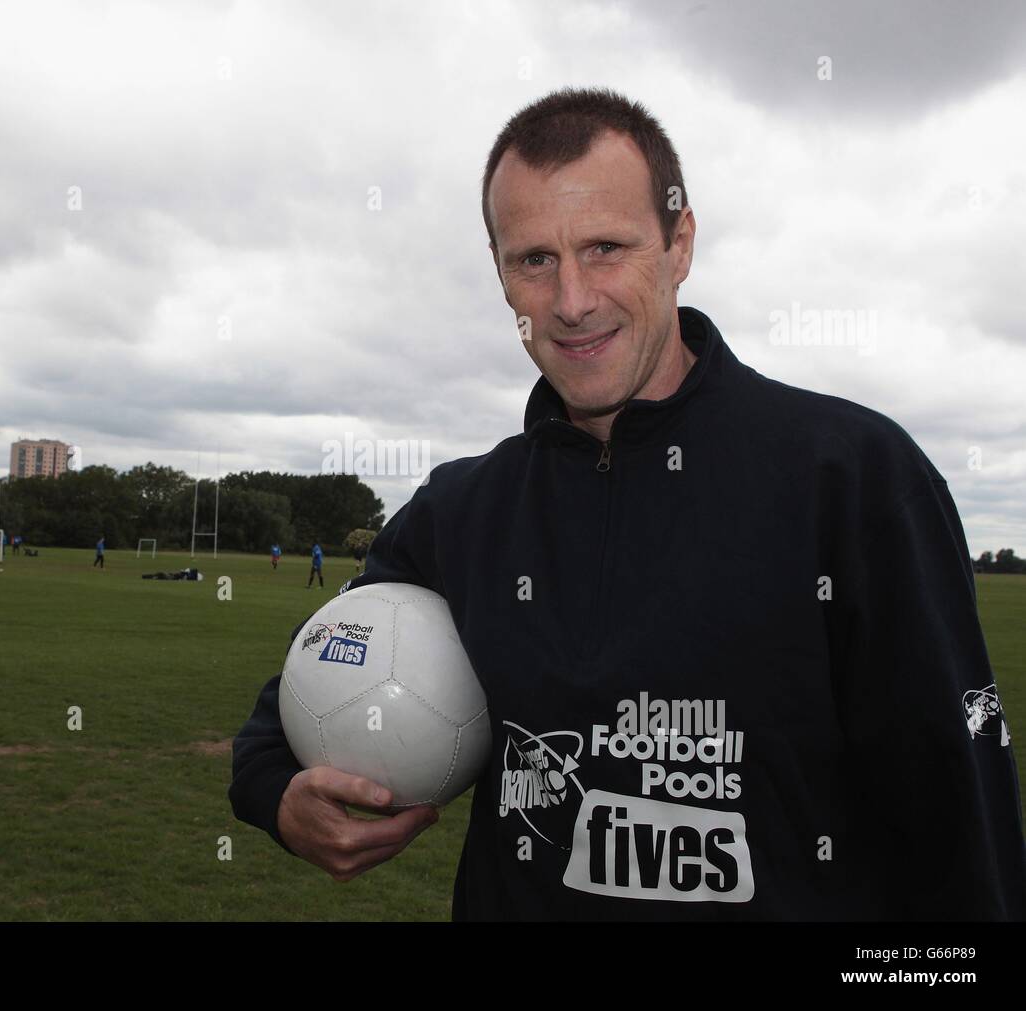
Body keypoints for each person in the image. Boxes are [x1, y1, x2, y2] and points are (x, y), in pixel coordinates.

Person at [230, 87, 1026, 920]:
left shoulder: (853, 478)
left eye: (606, 247)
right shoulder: (463, 511)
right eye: (534, 258)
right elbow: (302, 688)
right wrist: (277, 793)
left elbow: (963, 842)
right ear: (501, 273)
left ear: (680, 243)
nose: (572, 300)